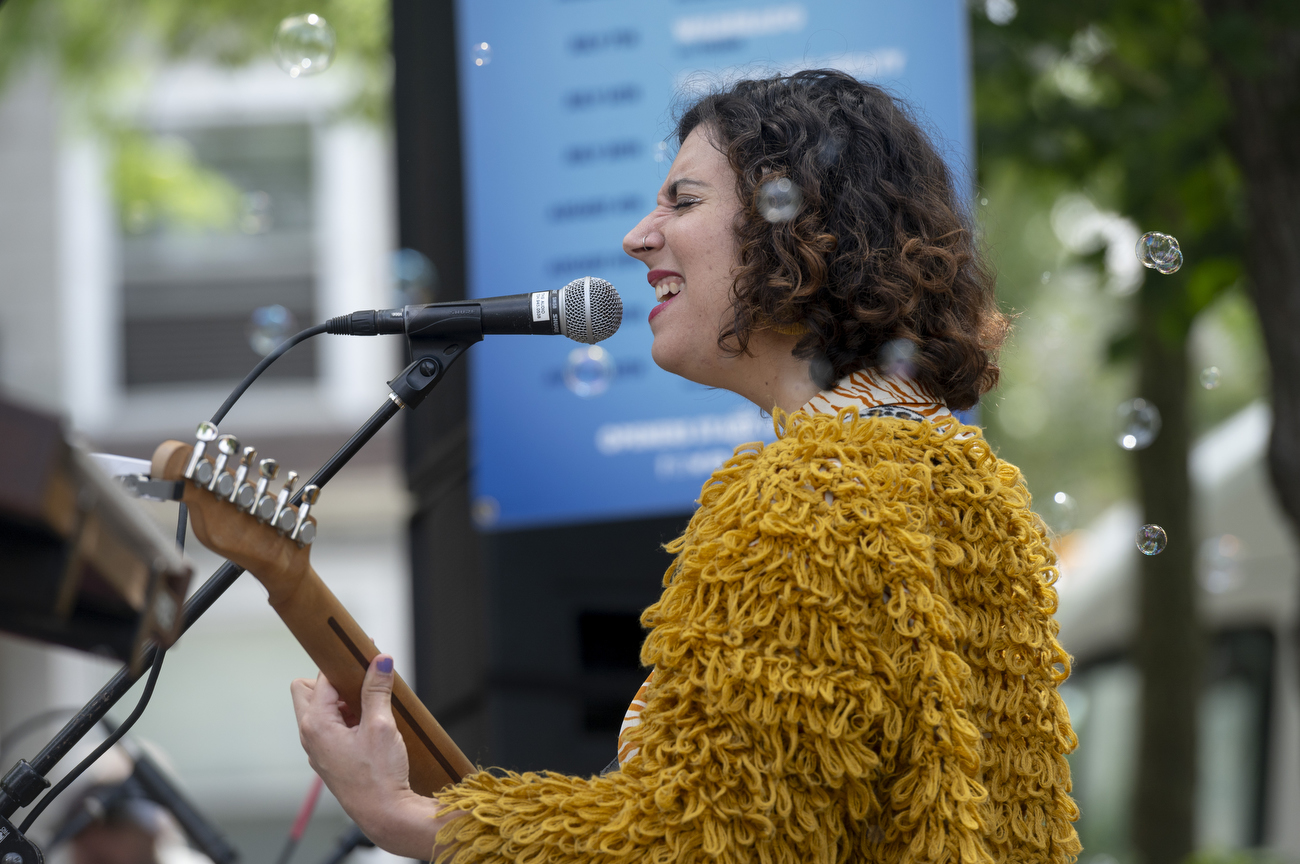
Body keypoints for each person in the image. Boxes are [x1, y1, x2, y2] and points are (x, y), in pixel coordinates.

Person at [292, 70, 1081, 864]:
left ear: (799, 225)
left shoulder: (807, 500)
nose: (639, 236)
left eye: (684, 200)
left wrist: (398, 815)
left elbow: (696, 846)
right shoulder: (974, 486)